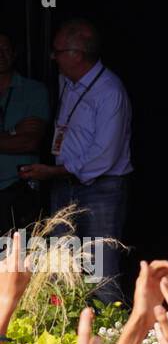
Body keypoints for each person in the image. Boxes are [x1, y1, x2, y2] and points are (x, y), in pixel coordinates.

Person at [19, 19, 132, 298]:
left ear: (76, 55)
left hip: (101, 190)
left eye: (57, 52)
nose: (53, 58)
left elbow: (103, 157)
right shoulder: (67, 81)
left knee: (100, 273)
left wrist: (52, 172)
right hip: (64, 185)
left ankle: (111, 338)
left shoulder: (109, 92)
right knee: (59, 268)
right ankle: (67, 335)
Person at [0, 33, 49, 234]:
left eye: (5, 49)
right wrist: (13, 132)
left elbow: (30, 142)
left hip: (18, 192)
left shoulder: (33, 90)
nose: (1, 55)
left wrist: (17, 136)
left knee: (19, 261)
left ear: (14, 53)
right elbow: (20, 139)